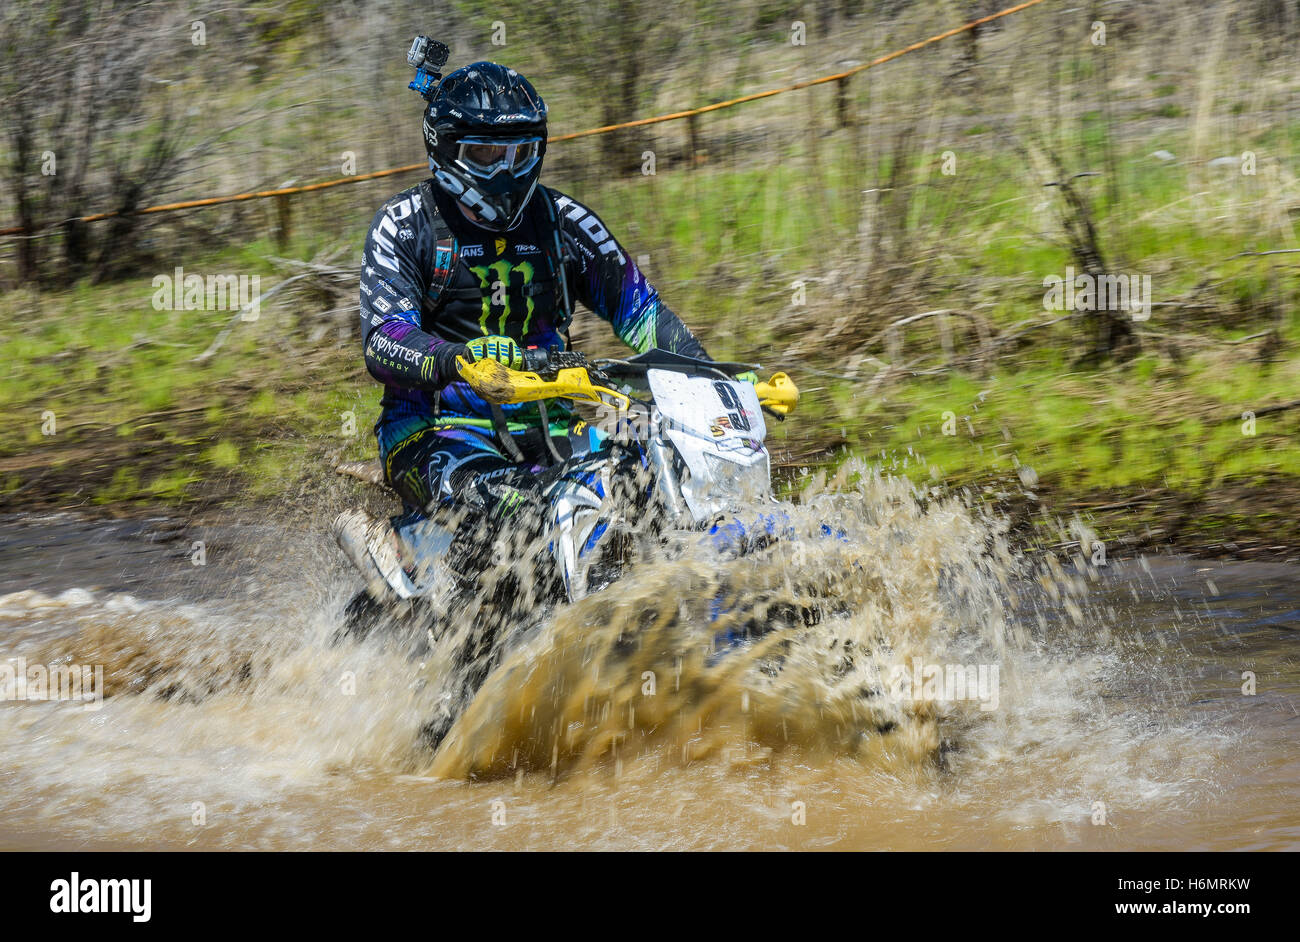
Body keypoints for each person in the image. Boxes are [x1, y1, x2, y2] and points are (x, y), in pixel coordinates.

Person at [335, 59, 715, 594]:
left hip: (551, 428)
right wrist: (459, 359)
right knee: (513, 507)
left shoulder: (565, 222)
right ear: (445, 148)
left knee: (648, 461)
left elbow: (645, 315)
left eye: (520, 153)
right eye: (486, 155)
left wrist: (715, 380)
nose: (506, 172)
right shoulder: (405, 224)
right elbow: (383, 340)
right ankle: (421, 571)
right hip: (436, 434)